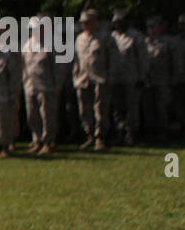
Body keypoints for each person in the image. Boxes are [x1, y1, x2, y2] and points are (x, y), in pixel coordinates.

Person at [107, 10, 148, 147]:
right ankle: (120, 132)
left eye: (120, 22)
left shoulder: (136, 36)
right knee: (117, 108)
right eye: (116, 22)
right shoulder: (111, 37)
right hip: (115, 78)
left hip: (131, 78)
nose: (118, 25)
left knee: (132, 107)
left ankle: (132, 133)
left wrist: (142, 77)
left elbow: (142, 58)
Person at [74, 8, 112, 151]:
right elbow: (77, 60)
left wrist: (110, 77)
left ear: (95, 22)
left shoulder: (105, 37)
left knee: (100, 109)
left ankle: (100, 138)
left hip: (100, 78)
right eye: (83, 22)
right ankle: (89, 135)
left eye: (87, 22)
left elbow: (113, 59)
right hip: (83, 79)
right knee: (85, 109)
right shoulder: (80, 38)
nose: (84, 25)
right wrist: (75, 76)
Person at [21, 15, 59, 156]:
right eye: (31, 29)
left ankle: (48, 142)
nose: (33, 31)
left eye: (36, 28)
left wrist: (57, 87)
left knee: (47, 116)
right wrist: (24, 83)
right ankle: (36, 140)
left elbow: (58, 69)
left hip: (46, 86)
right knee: (32, 115)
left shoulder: (52, 44)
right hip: (30, 86)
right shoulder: (27, 44)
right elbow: (24, 66)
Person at [143, 15, 178, 142]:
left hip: (163, 79)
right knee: (148, 107)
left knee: (162, 107)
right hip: (148, 81)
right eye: (148, 27)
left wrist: (174, 78)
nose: (151, 30)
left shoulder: (169, 41)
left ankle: (163, 131)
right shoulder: (145, 42)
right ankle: (151, 131)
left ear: (160, 27)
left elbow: (175, 61)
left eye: (153, 27)